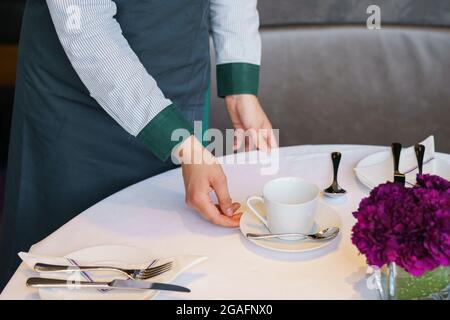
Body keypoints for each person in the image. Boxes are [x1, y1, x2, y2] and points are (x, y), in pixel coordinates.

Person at [0, 0, 275, 289]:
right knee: (67, 269)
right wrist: (179, 141)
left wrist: (240, 89)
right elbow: (87, 29)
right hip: (76, 107)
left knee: (176, 263)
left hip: (178, 83)